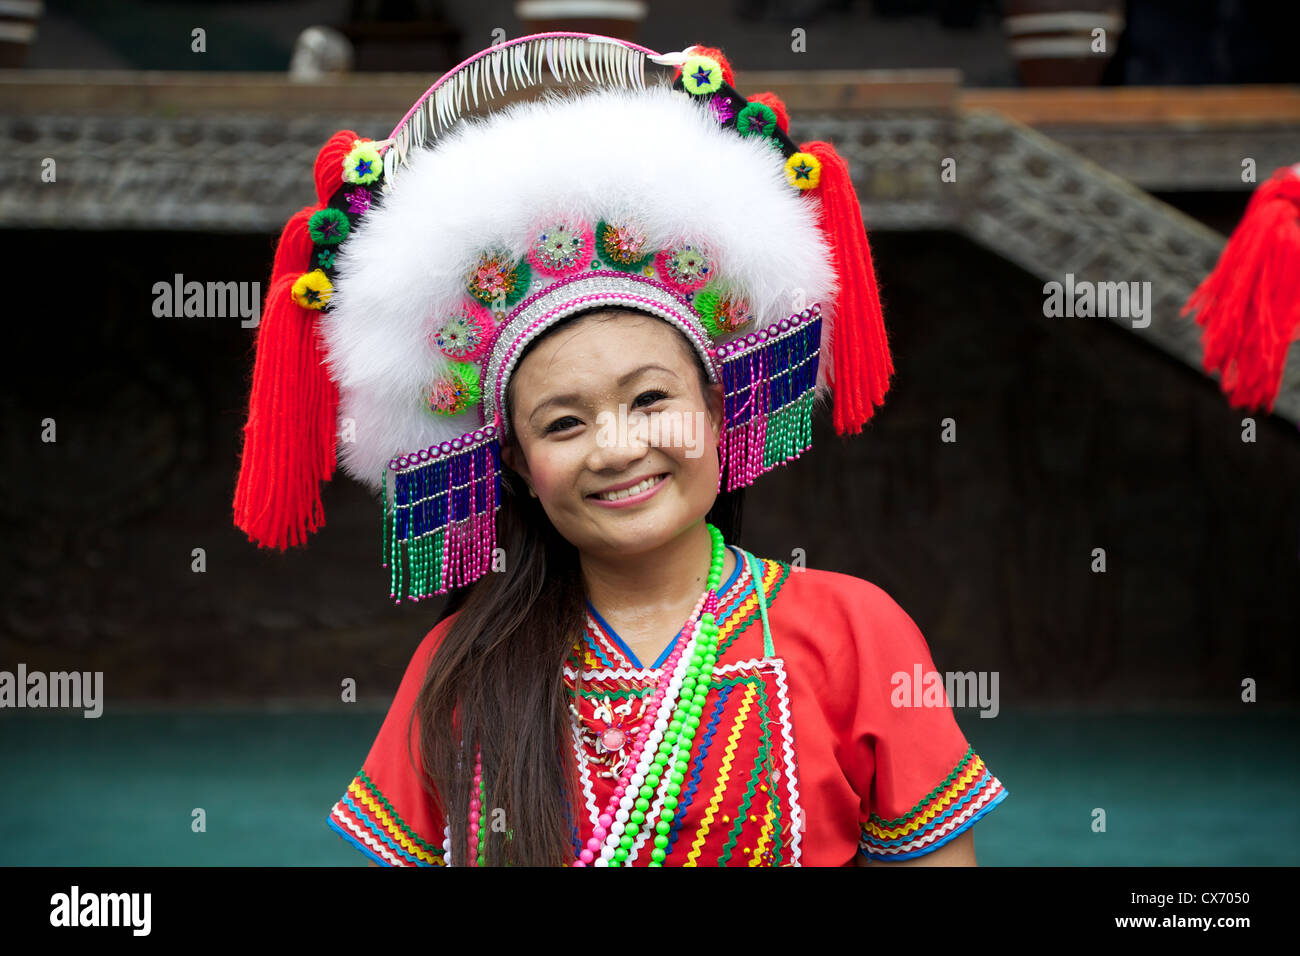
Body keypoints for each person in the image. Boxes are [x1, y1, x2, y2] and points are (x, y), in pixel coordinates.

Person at [233, 33, 1007, 866]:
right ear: (520, 469)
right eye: (564, 423)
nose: (617, 447)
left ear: (718, 412)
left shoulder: (856, 633)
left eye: (650, 400)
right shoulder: (458, 668)